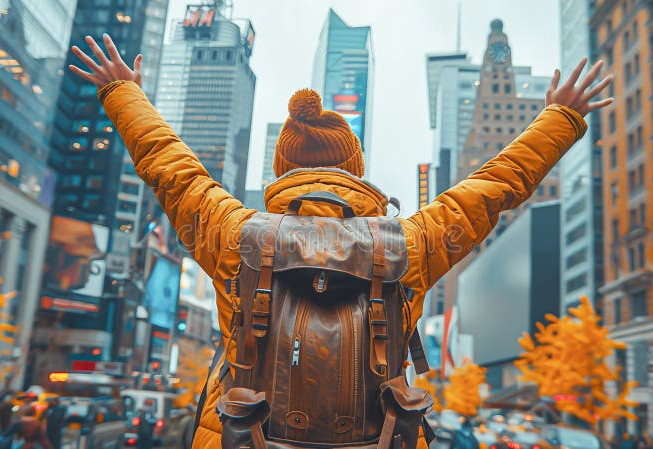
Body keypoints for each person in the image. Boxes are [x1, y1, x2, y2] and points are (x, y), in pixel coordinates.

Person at [68, 30, 612, 449]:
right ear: (356, 169)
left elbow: (171, 168)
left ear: (281, 172)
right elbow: (493, 188)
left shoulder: (234, 233)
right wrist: (560, 117)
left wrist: (123, 94)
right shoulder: (410, 243)